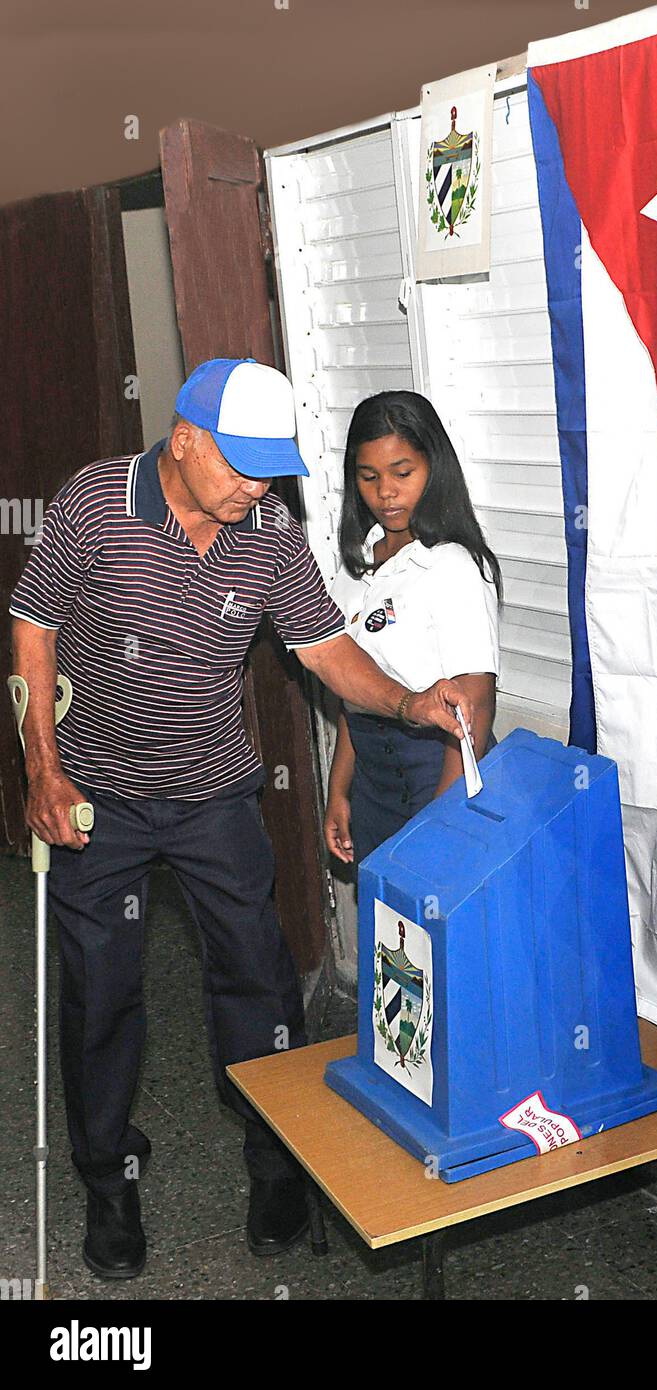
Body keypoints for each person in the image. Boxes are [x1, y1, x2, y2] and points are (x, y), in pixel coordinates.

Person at [9, 358, 474, 1280]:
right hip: (98, 792)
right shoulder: (94, 503)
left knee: (258, 983)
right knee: (100, 993)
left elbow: (324, 647)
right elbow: (32, 625)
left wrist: (407, 700)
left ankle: (275, 1163)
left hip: (216, 790)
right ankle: (108, 1179)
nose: (258, 487)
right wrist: (41, 772)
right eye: (242, 465)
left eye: (272, 469)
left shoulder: (267, 530)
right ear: (184, 439)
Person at [324, 391, 500, 868]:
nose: (386, 492)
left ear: (433, 467)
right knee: (388, 936)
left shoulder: (452, 565)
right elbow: (355, 692)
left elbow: (475, 711)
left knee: (436, 928)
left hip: (438, 778)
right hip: (371, 785)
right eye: (369, 477)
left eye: (403, 474)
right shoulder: (355, 568)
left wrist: (440, 825)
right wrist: (338, 791)